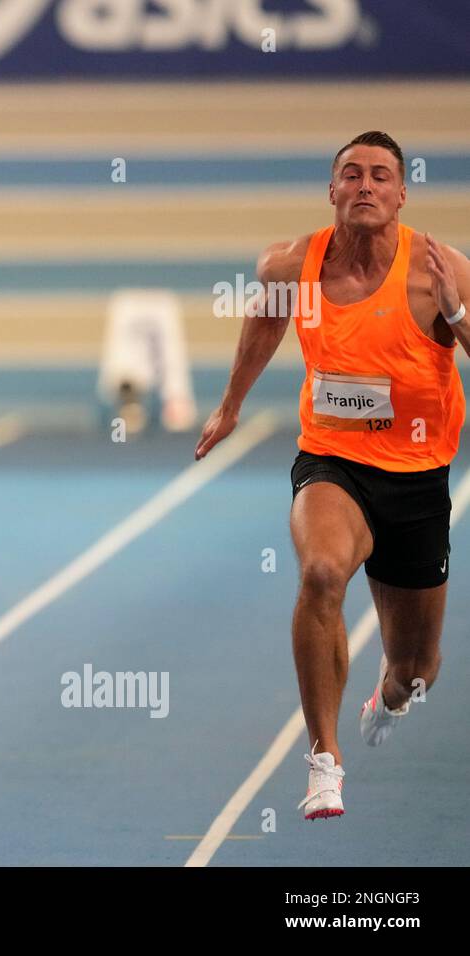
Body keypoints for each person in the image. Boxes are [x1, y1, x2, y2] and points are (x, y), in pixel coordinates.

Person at [196, 131, 470, 820]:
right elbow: (265, 321)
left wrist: (458, 313)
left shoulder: (440, 270)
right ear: (332, 190)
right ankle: (324, 759)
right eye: (351, 174)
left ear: (402, 193)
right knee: (320, 572)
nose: (365, 186)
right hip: (333, 461)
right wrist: (230, 406)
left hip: (416, 477)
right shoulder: (295, 265)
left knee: (417, 668)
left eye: (381, 175)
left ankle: (392, 693)